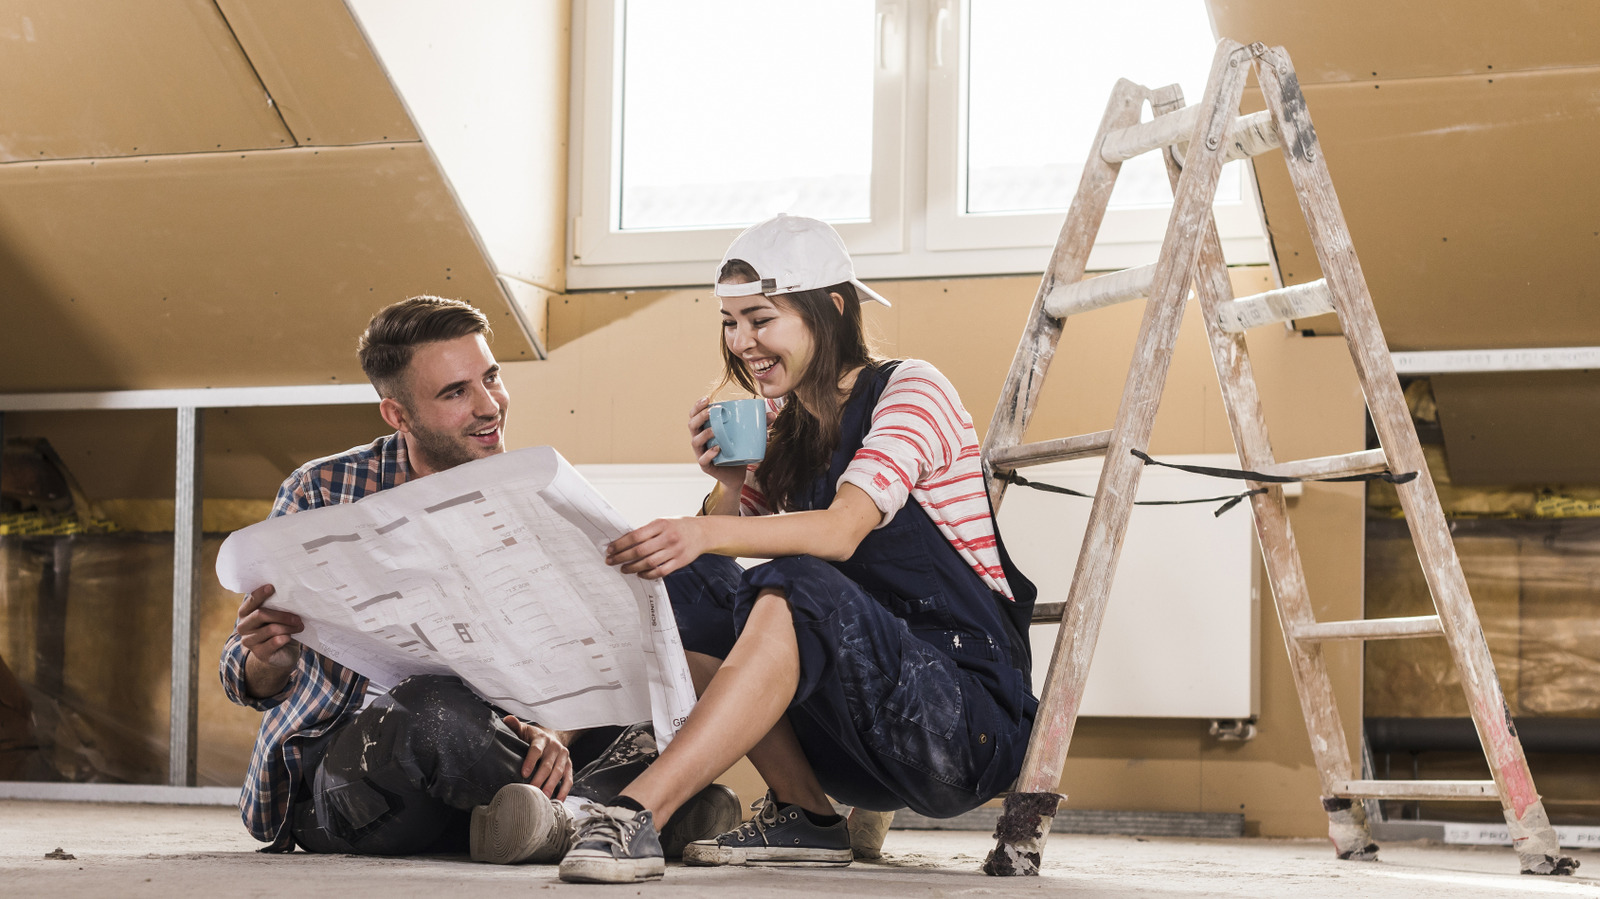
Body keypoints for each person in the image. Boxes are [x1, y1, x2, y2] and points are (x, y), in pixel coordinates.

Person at [556, 215, 1038, 884]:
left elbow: (839, 531)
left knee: (799, 581)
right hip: (850, 733)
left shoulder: (912, 389)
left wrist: (699, 530)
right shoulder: (783, 423)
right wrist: (726, 486)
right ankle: (807, 813)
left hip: (962, 724)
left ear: (831, 308)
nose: (742, 342)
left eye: (760, 319)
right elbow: (717, 567)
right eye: (730, 323)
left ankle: (640, 810)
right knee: (681, 588)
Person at [219, 296, 737, 861]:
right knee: (434, 709)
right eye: (456, 393)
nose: (489, 406)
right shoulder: (320, 490)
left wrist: (553, 734)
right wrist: (268, 660)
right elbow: (243, 676)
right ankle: (622, 815)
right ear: (398, 414)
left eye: (491, 378)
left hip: (497, 747)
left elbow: (581, 661)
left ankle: (538, 819)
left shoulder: (538, 493)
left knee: (665, 683)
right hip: (357, 773)